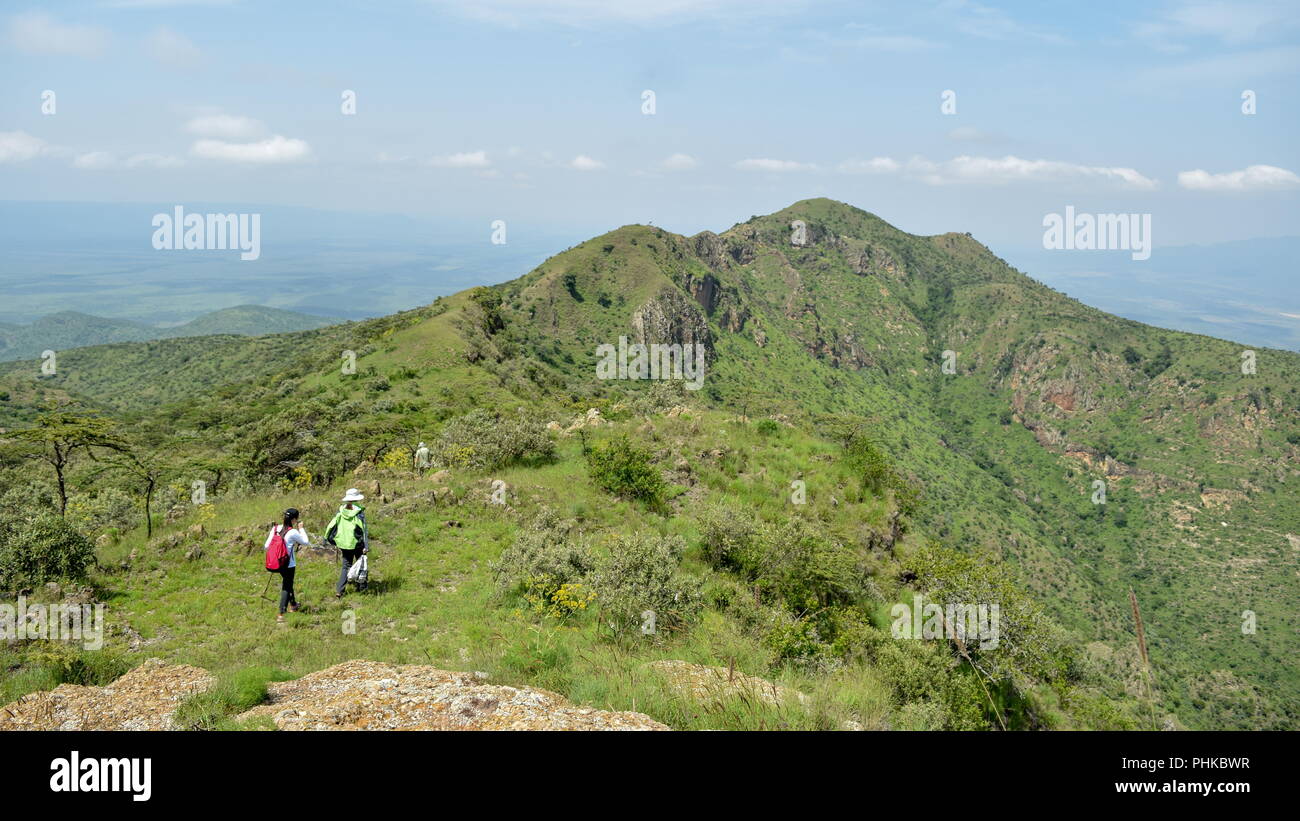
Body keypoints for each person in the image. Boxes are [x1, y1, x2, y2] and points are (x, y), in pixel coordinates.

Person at [264, 508, 316, 623]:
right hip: (288, 564)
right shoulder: (293, 532)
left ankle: (293, 605)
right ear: (294, 519)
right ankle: (281, 614)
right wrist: (301, 529)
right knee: (286, 587)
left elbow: (266, 546)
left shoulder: (275, 529)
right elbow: (306, 542)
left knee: (288, 582)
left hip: (276, 562)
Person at [326, 488, 369, 597]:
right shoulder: (359, 512)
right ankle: (362, 588)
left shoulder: (340, 511)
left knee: (346, 566)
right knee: (362, 564)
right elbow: (364, 530)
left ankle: (340, 590)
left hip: (344, 543)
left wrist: (328, 538)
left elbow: (332, 525)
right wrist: (366, 546)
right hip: (357, 543)